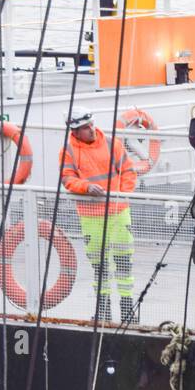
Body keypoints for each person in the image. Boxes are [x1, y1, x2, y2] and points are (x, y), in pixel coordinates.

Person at [60, 110, 138, 322]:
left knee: (123, 261)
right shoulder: (69, 150)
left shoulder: (112, 143)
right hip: (91, 215)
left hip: (118, 211)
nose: (92, 129)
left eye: (92, 124)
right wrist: (86, 187)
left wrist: (121, 197)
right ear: (75, 132)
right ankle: (103, 309)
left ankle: (127, 308)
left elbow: (129, 172)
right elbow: (67, 178)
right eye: (86, 128)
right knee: (99, 263)